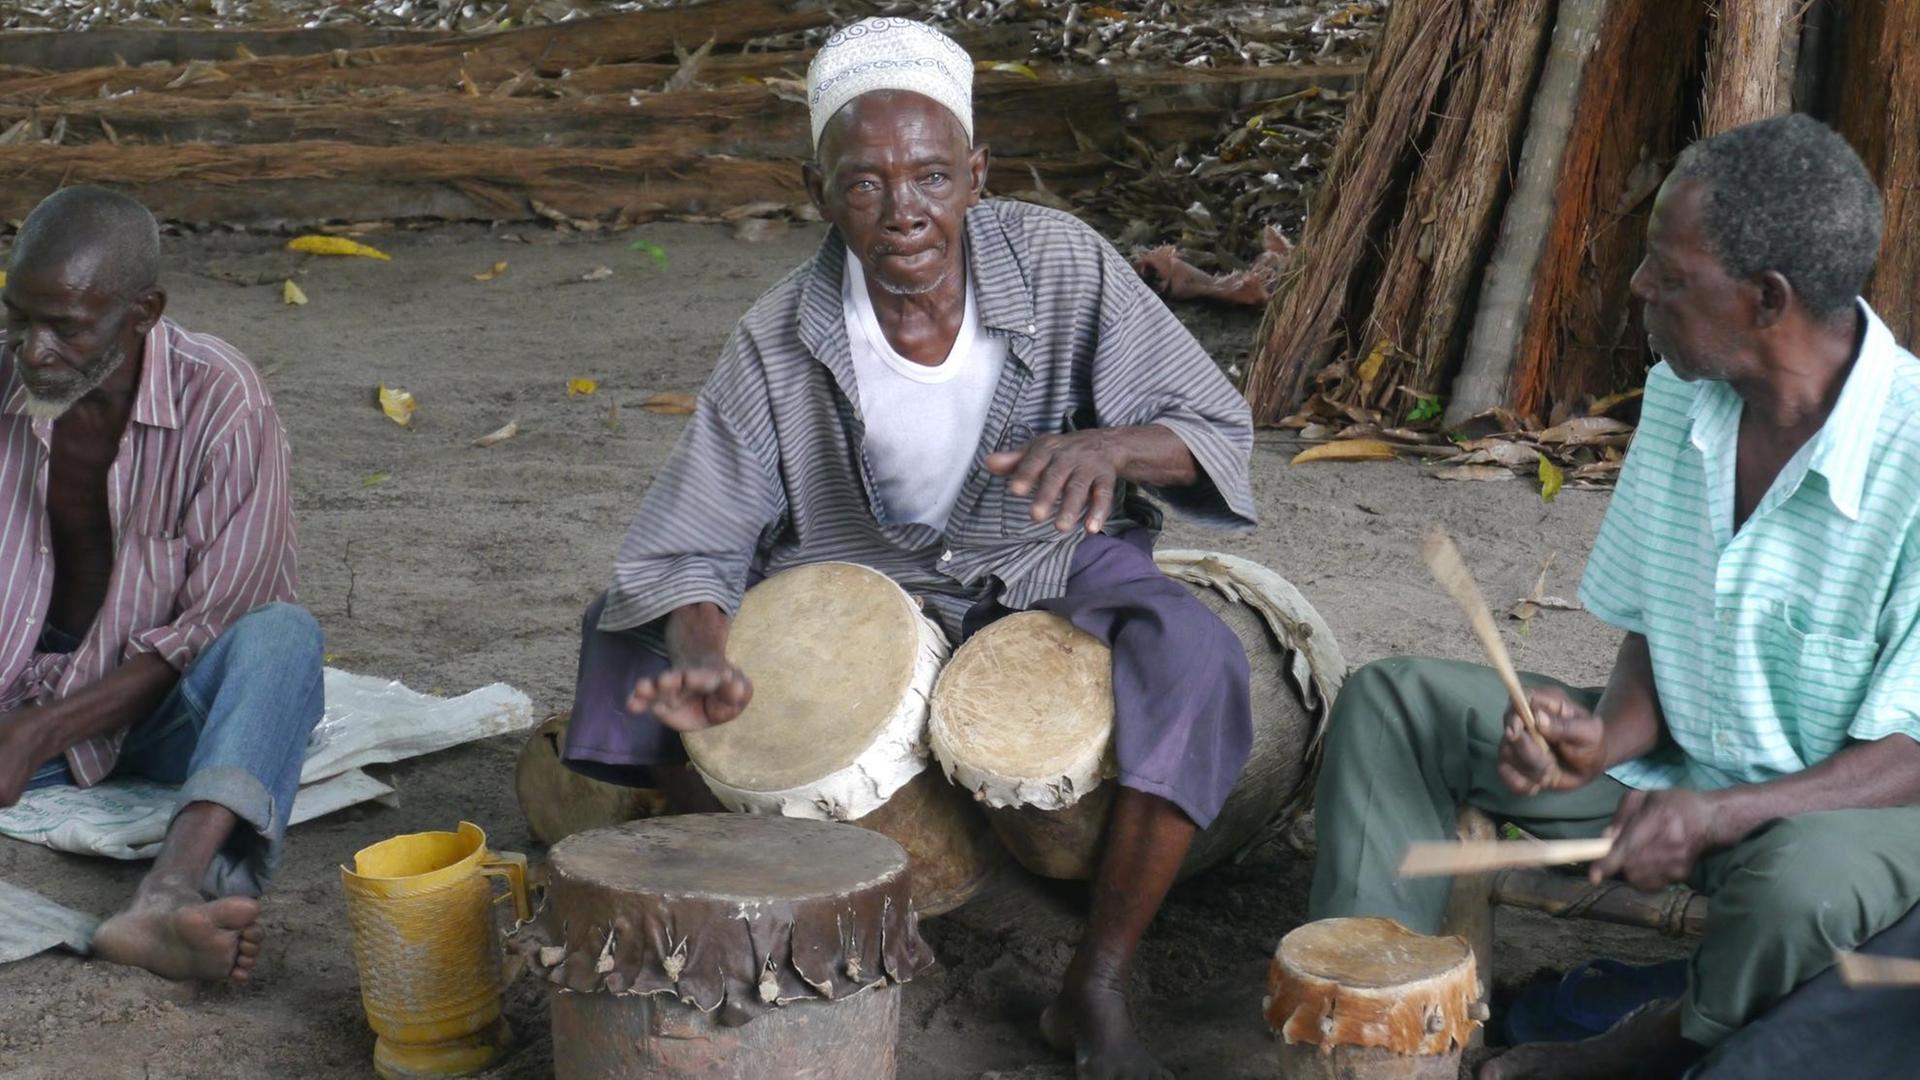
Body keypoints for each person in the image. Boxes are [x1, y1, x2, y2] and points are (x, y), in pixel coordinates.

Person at [562, 18, 1256, 1079]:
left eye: (931, 177)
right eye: (867, 184)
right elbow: (691, 537)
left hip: (1047, 556)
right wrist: (703, 642)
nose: (904, 215)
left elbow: (1212, 427)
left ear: (976, 175)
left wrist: (1106, 445)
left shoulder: (1064, 262)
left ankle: (1097, 986)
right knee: (627, 645)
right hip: (855, 576)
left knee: (1196, 658)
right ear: (818, 188)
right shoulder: (782, 332)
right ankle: (741, 900)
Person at [1309, 113, 1920, 1078]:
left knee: (1800, 889)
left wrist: (1725, 816)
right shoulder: (1689, 391)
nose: (1638, 288)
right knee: (1395, 705)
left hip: (1851, 820)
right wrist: (1608, 738)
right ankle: (1366, 1025)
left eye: (1669, 277)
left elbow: (1912, 755)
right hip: (1676, 789)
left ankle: (1637, 1053)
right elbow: (1657, 630)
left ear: (1769, 299)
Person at [0, 187, 323, 985]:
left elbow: (219, 624)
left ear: (144, 311)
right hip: (13, 688)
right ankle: (93, 928)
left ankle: (167, 894)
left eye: (66, 328)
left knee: (284, 639)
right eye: (17, 317)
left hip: (154, 711)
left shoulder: (223, 400)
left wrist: (40, 732)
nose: (34, 351)